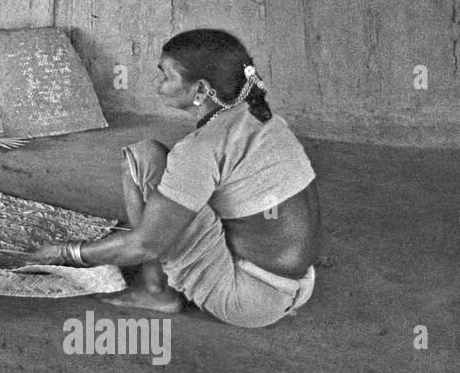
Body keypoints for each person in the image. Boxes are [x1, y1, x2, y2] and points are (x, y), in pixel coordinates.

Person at [33, 29, 321, 328]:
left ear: (201, 89)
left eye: (166, 76)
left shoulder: (200, 149)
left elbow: (146, 246)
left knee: (142, 161)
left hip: (248, 300)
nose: (159, 86)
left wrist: (67, 253)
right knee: (161, 170)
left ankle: (156, 292)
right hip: (296, 285)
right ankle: (160, 282)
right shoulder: (261, 118)